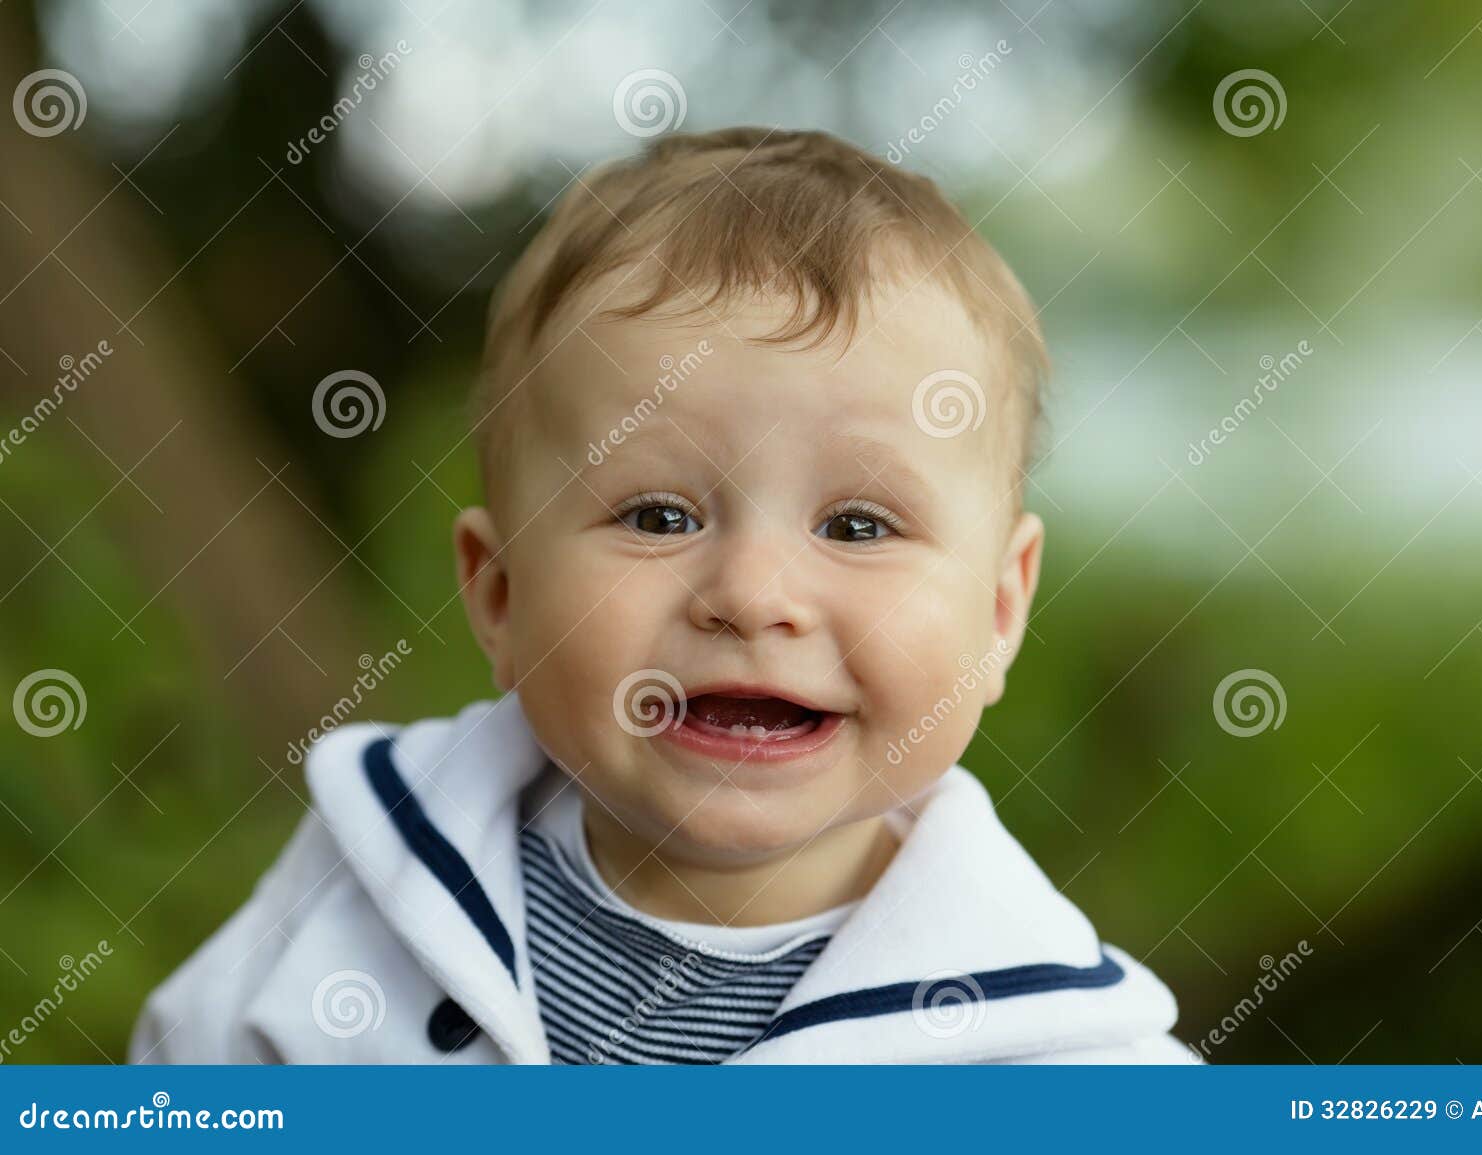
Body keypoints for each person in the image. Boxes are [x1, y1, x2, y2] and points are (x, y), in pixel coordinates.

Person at [131, 127, 1190, 1065]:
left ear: (998, 612)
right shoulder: (365, 888)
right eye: (657, 517)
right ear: (498, 597)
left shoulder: (1061, 1059)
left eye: (858, 527)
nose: (751, 595)